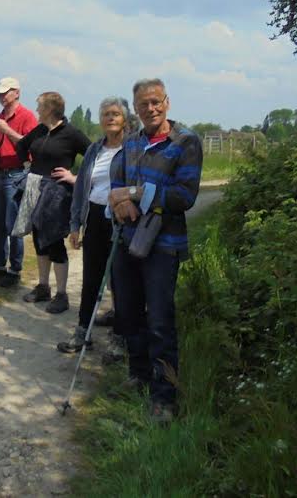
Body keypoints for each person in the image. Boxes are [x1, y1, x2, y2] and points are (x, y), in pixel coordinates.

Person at [108, 78, 202, 423]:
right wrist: (119, 204)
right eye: (143, 104)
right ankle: (139, 375)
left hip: (164, 245)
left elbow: (184, 196)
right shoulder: (131, 142)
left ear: (167, 102)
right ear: (135, 108)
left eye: (156, 102)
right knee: (129, 312)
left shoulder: (186, 142)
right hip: (126, 239)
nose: (150, 109)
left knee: (160, 320)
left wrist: (134, 195)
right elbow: (116, 184)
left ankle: (164, 398)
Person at [57, 97, 130, 353]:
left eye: (116, 114)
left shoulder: (134, 150)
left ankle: (119, 339)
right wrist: (75, 224)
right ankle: (82, 332)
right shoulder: (94, 150)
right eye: (106, 114)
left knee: (120, 280)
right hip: (95, 217)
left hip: (122, 219)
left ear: (125, 120)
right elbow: (81, 190)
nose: (110, 118)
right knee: (91, 278)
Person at [15, 92, 90, 311]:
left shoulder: (71, 134)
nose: (36, 110)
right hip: (35, 188)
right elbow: (22, 147)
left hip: (57, 193)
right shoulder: (39, 130)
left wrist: (75, 178)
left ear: (49, 109)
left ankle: (62, 295)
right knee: (39, 239)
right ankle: (43, 287)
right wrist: (27, 167)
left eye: (39, 106)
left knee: (54, 241)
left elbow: (94, 156)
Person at [0, 77, 37, 285]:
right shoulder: (0, 116)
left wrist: (7, 130)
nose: (2, 96)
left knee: (13, 225)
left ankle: (15, 270)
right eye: (0, 93)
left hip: (17, 174)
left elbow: (30, 146)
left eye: (5, 92)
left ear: (17, 93)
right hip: (0, 173)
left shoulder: (27, 117)